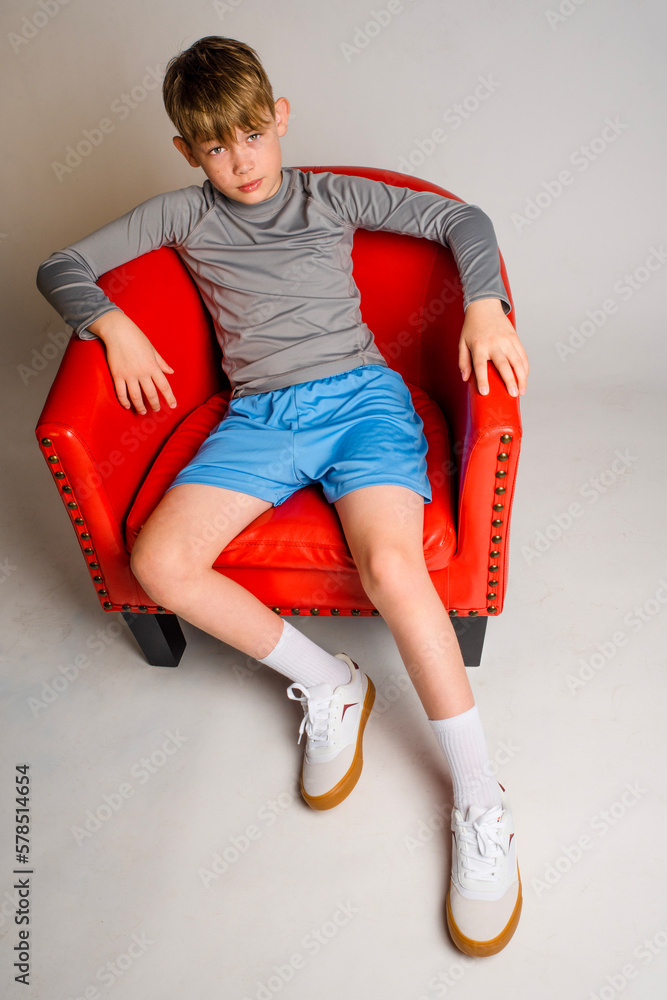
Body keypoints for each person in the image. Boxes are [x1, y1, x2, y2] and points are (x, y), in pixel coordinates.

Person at [36, 35, 529, 956]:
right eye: (217, 145)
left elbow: (463, 221)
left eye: (253, 135)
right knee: (158, 562)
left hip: (360, 401)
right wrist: (110, 326)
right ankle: (329, 683)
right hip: (261, 417)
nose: (241, 160)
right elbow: (59, 264)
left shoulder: (328, 194)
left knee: (391, 565)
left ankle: (479, 800)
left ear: (281, 120)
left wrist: (480, 303)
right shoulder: (183, 213)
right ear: (188, 150)